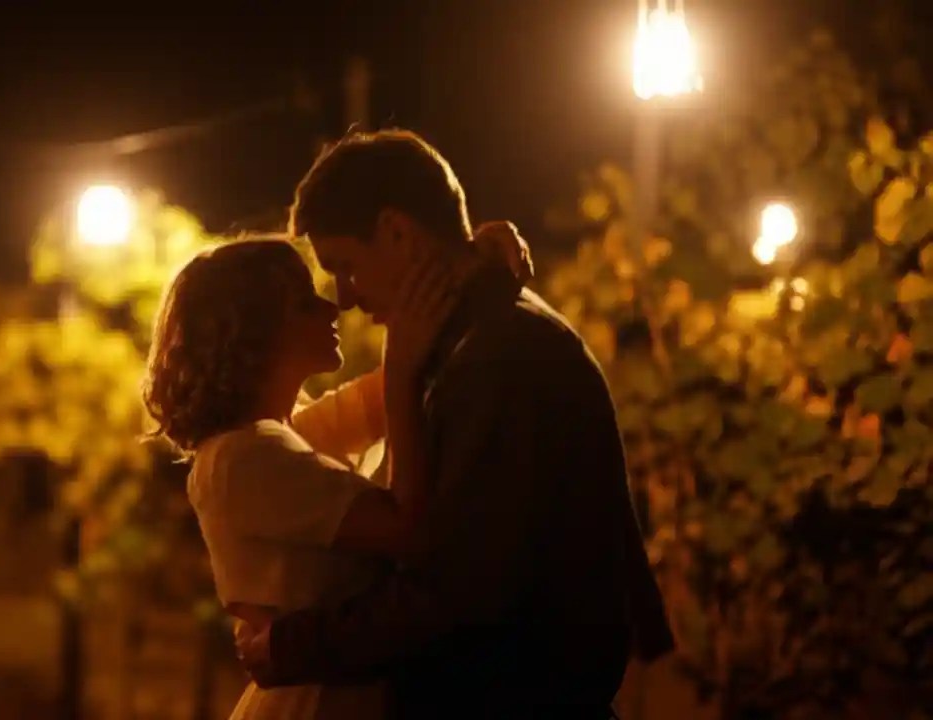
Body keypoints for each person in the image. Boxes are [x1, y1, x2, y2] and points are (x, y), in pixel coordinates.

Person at [233, 130, 674, 719]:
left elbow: (455, 590)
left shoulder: (493, 358)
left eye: (345, 267)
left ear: (396, 232)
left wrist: (291, 646)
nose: (342, 297)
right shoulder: (484, 336)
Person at [142, 237, 467, 719]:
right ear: (257, 333)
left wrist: (471, 264)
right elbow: (405, 527)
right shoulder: (247, 457)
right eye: (303, 303)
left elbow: (380, 398)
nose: (331, 307)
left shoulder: (283, 434)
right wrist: (403, 360)